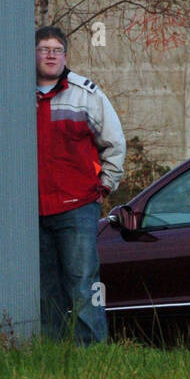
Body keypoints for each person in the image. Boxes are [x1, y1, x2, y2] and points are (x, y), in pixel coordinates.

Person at [36, 26, 125, 344]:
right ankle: (53, 351)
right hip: (33, 210)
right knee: (45, 286)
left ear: (65, 56)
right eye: (44, 49)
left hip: (76, 207)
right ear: (34, 54)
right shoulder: (18, 94)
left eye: (57, 50)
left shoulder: (85, 94)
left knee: (83, 283)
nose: (50, 55)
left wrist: (104, 186)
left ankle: (91, 351)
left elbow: (114, 142)